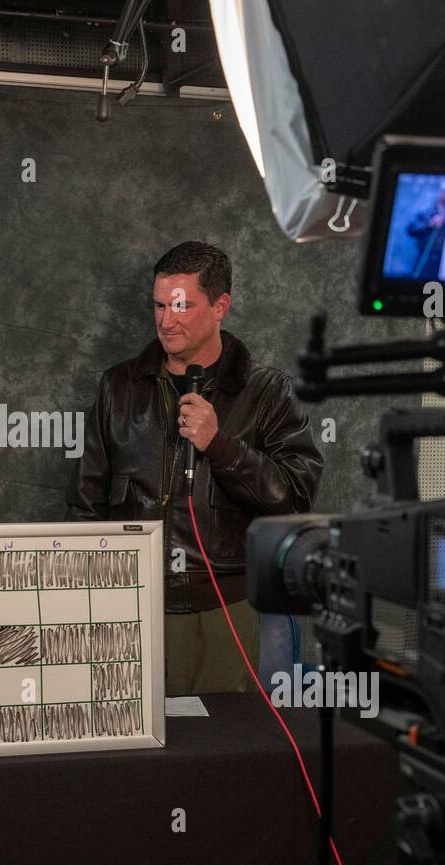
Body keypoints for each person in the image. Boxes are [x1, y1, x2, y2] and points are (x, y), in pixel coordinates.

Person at [68, 241, 323, 696]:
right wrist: (100, 598)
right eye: (160, 305)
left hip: (228, 608)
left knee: (230, 754)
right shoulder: (118, 386)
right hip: (135, 606)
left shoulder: (266, 391)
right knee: (139, 757)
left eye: (181, 306)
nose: (166, 321)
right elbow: (87, 503)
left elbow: (296, 499)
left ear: (221, 306)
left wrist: (220, 445)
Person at [406, 181, 445, 279]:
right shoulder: (427, 212)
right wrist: (429, 224)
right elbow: (411, 230)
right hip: (426, 259)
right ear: (442, 193)